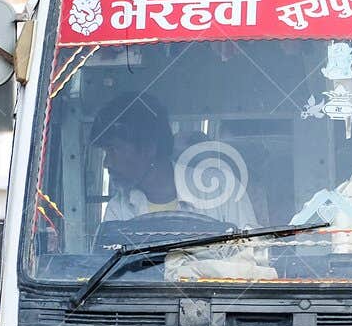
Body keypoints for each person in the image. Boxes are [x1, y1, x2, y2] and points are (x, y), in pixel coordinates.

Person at [93, 93, 257, 228]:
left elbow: (254, 257)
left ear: (148, 147)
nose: (106, 163)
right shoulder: (119, 210)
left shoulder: (222, 189)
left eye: (112, 150)